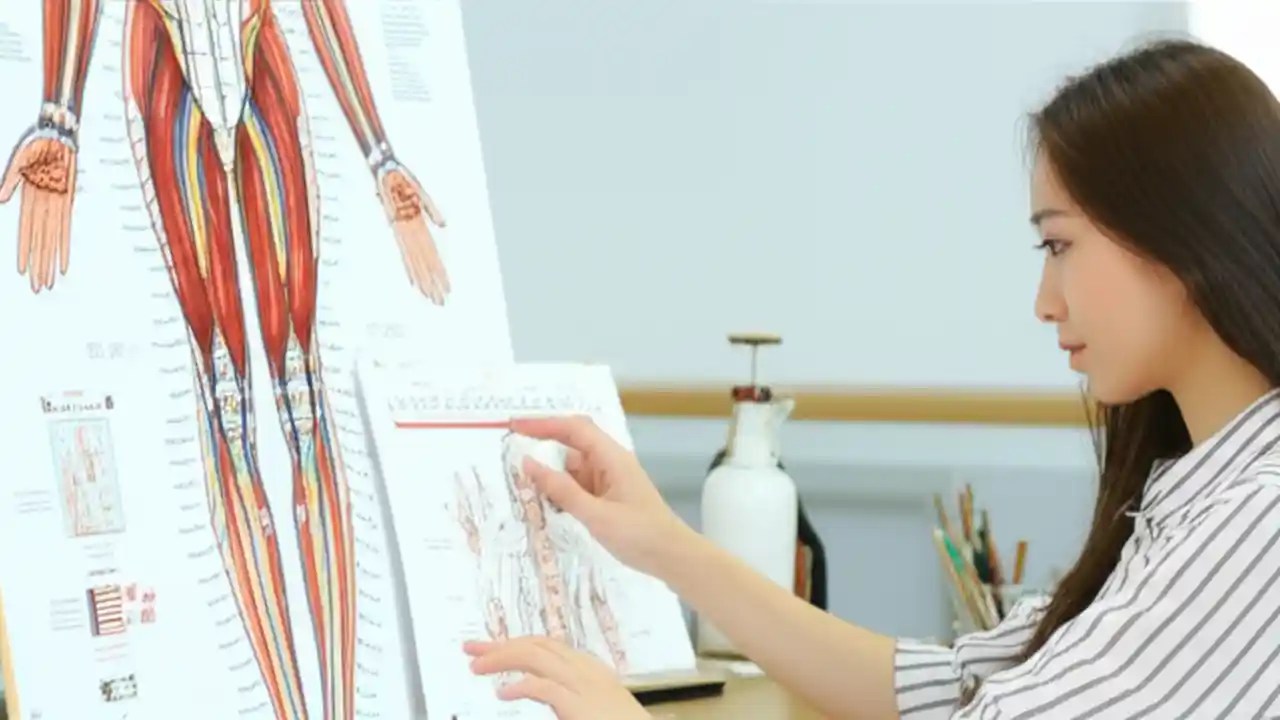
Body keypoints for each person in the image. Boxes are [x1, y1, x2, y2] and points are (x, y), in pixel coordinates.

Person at [463, 37, 1280, 719]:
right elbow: (941, 682)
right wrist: (663, 545)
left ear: (1181, 235)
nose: (1043, 301)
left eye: (1058, 245)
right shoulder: (1196, 498)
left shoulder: (1258, 518)